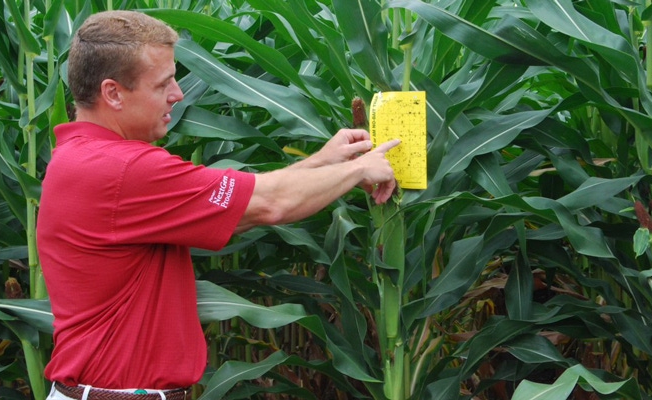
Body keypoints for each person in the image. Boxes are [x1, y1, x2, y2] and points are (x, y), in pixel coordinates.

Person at [36, 10, 400, 400]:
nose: (178, 93)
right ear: (113, 93)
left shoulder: (85, 158)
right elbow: (270, 203)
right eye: (163, 84)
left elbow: (238, 208)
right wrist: (361, 167)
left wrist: (323, 163)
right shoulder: (122, 170)